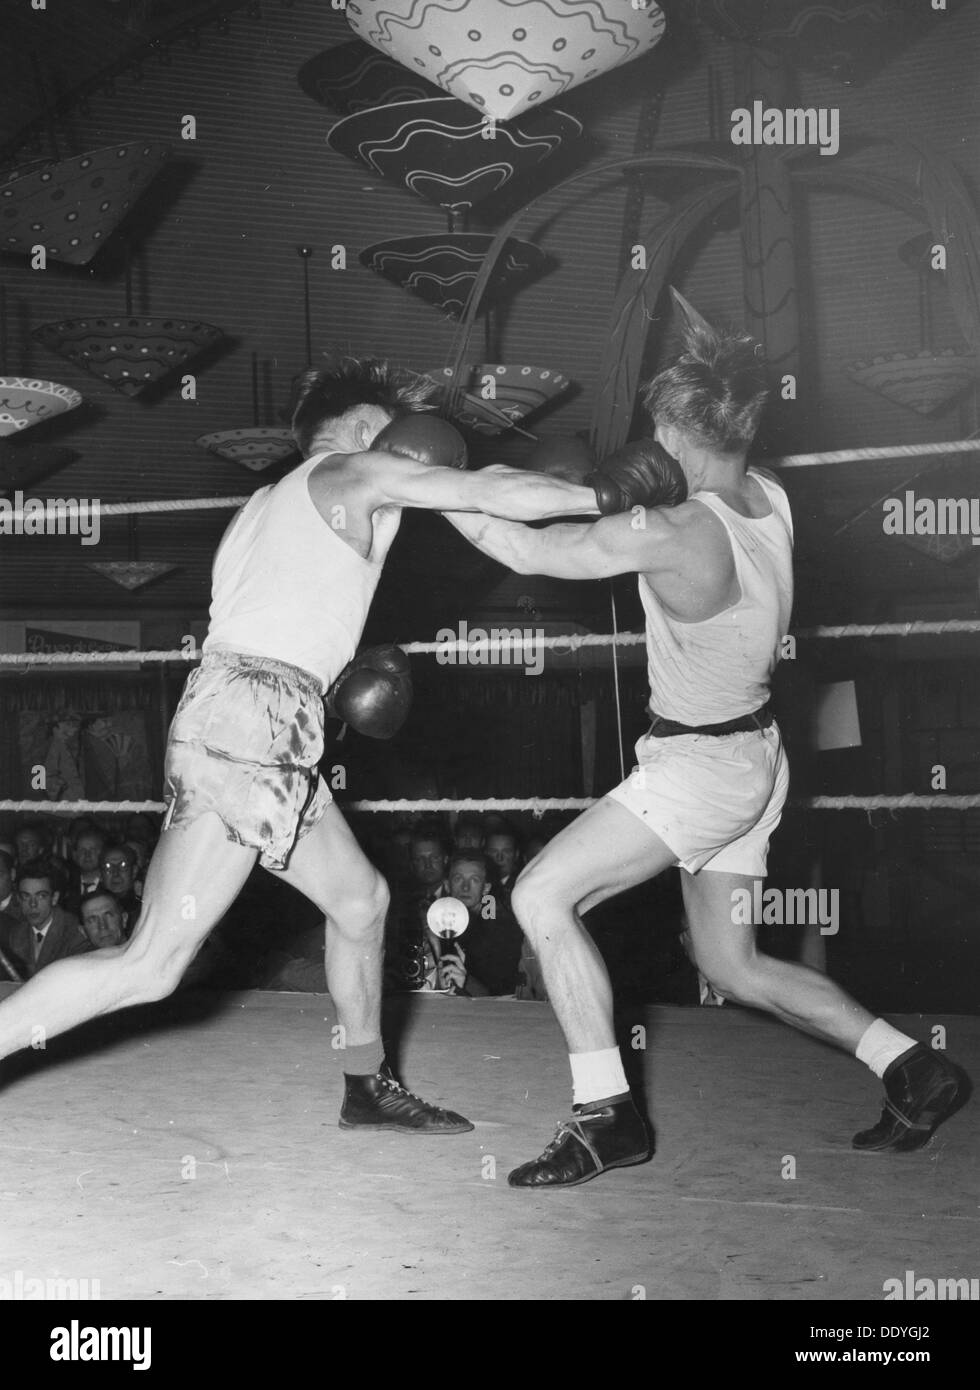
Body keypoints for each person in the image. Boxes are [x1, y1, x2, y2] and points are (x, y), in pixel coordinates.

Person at [0, 355, 625, 1136]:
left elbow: (280, 622)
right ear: (366, 429)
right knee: (151, 966)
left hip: (265, 721)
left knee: (361, 902)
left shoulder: (263, 505)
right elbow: (484, 491)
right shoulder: (351, 472)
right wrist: (601, 495)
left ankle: (366, 1085)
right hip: (251, 727)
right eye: (389, 431)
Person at [446, 318, 969, 1186]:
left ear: (682, 435)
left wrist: (429, 491)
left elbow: (529, 548)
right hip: (757, 756)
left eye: (659, 431)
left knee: (541, 893)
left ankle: (605, 1113)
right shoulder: (771, 496)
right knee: (734, 964)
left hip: (701, 771)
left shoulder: (679, 530)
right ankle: (913, 1067)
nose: (651, 443)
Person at [6, 858, 88, 980]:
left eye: (41, 896)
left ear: (54, 898)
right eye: (26, 896)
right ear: (18, 899)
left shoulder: (75, 932)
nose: (32, 904)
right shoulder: (16, 934)